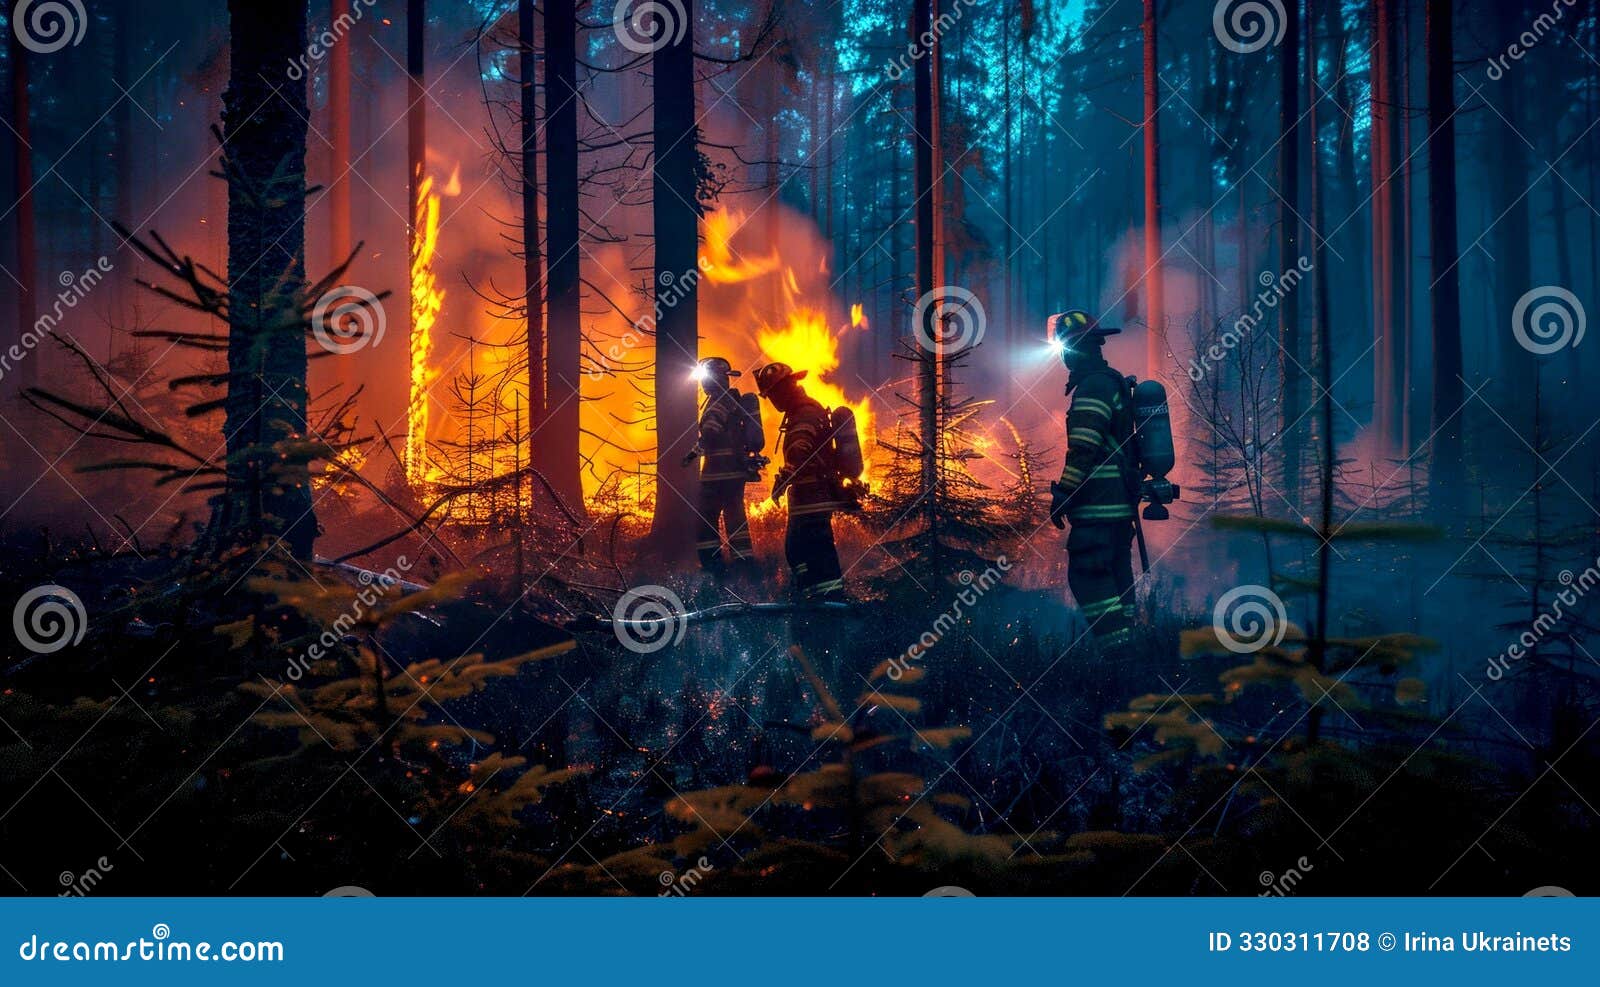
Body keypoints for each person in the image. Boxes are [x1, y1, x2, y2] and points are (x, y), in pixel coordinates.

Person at [1047, 310, 1138, 649]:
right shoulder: (1108, 381)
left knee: (1089, 575)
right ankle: (1133, 648)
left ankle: (1118, 655)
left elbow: (1084, 447)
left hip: (1099, 506)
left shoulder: (1093, 386)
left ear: (1073, 350)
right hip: (1117, 505)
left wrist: (1065, 492)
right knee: (1114, 575)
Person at [754, 362, 846, 603]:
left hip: (812, 497)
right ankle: (810, 595)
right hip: (807, 497)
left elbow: (800, 450)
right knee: (798, 550)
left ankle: (831, 603)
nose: (772, 401)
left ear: (785, 388)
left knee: (815, 550)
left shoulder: (804, 413)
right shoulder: (802, 410)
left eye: (773, 394)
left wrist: (783, 478)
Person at [683, 357, 756, 576]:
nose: (703, 383)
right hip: (735, 472)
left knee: (705, 520)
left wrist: (693, 454)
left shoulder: (719, 402)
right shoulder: (732, 400)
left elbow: (711, 431)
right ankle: (744, 565)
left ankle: (713, 568)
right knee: (735, 517)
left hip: (717, 474)